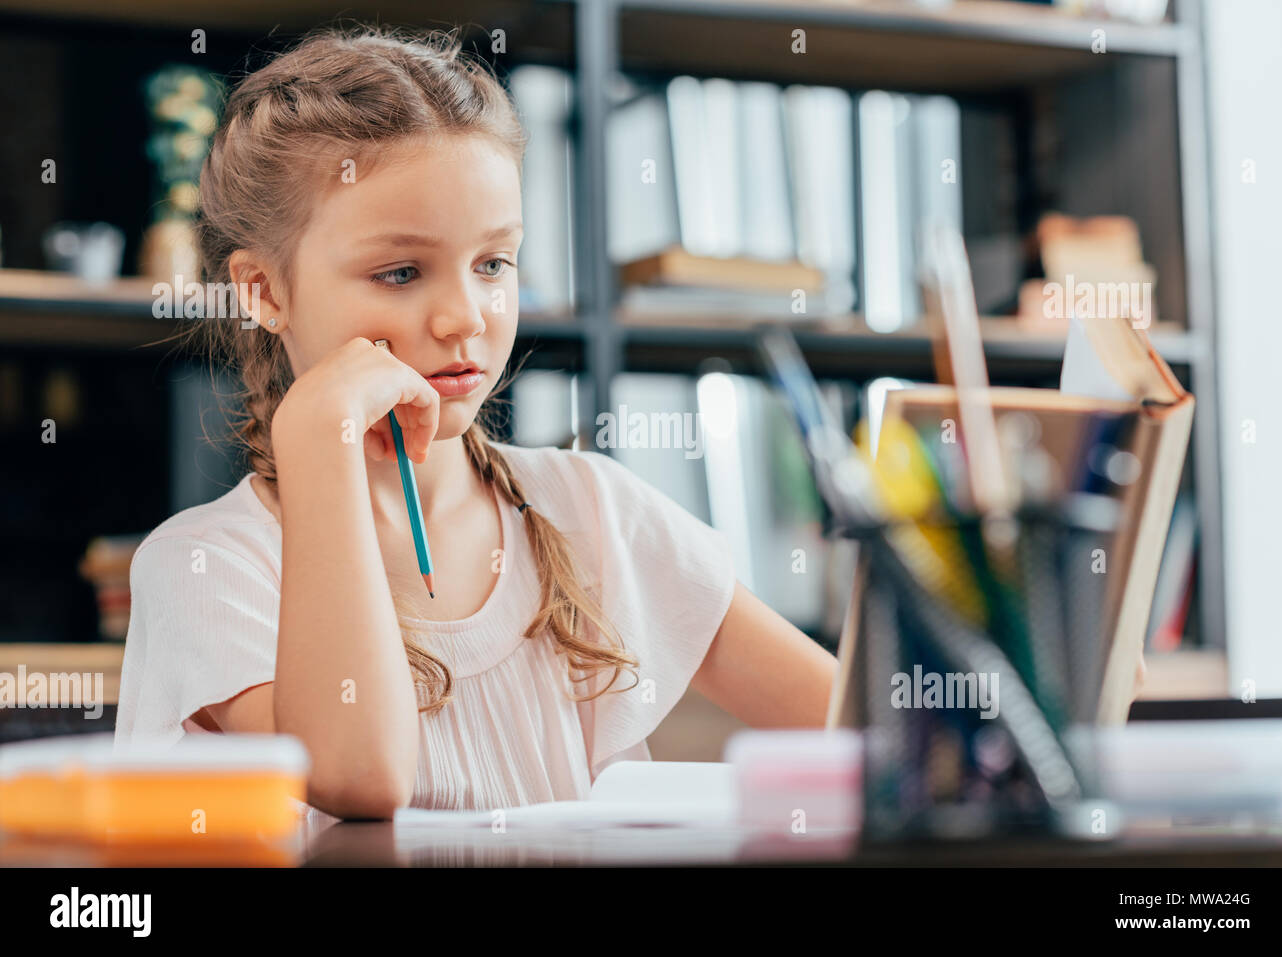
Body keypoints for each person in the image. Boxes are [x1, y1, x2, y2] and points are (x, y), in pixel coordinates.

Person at [114, 24, 837, 820]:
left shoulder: (591, 508)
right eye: (400, 271)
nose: (465, 317)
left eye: (493, 263)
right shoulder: (204, 569)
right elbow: (360, 777)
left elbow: (855, 721)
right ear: (263, 291)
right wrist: (320, 440)